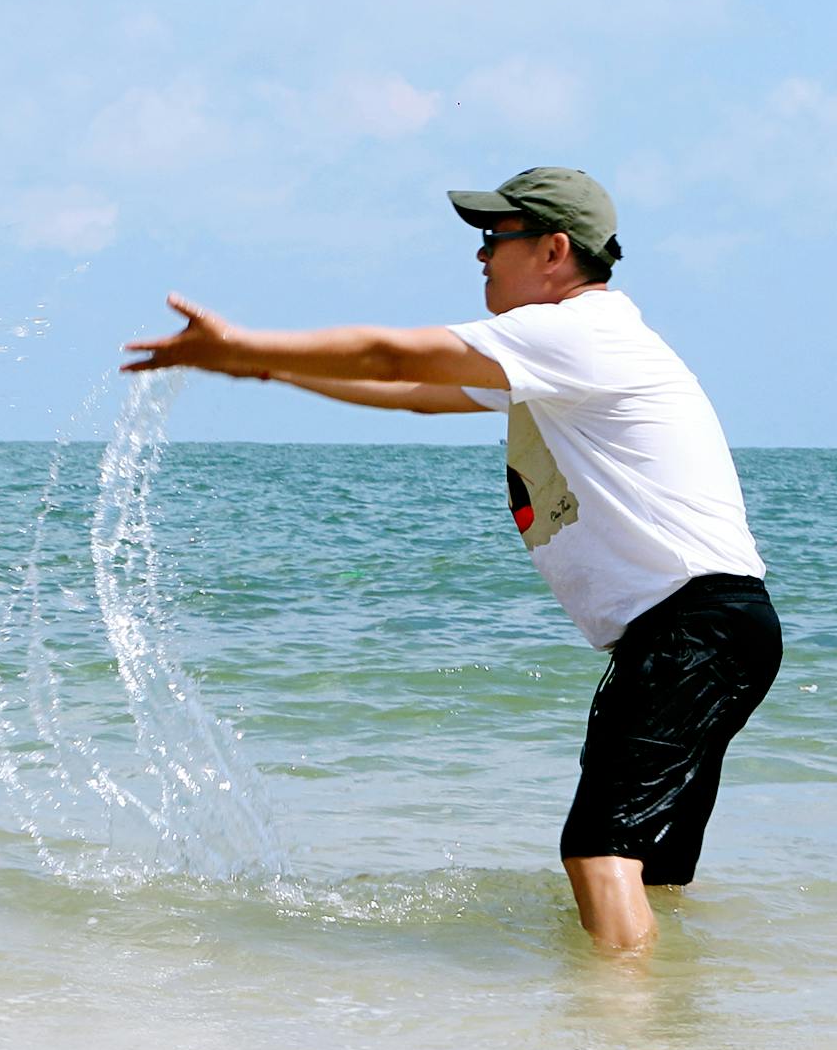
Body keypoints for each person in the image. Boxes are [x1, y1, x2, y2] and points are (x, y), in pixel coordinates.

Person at [122, 167, 777, 950]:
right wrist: (266, 370)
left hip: (693, 629)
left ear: (554, 250)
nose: (481, 256)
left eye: (495, 237)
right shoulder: (575, 348)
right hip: (713, 628)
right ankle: (669, 1010)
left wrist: (242, 342)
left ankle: (621, 1021)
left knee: (599, 851)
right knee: (650, 866)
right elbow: (419, 392)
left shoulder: (578, 333)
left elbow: (391, 355)